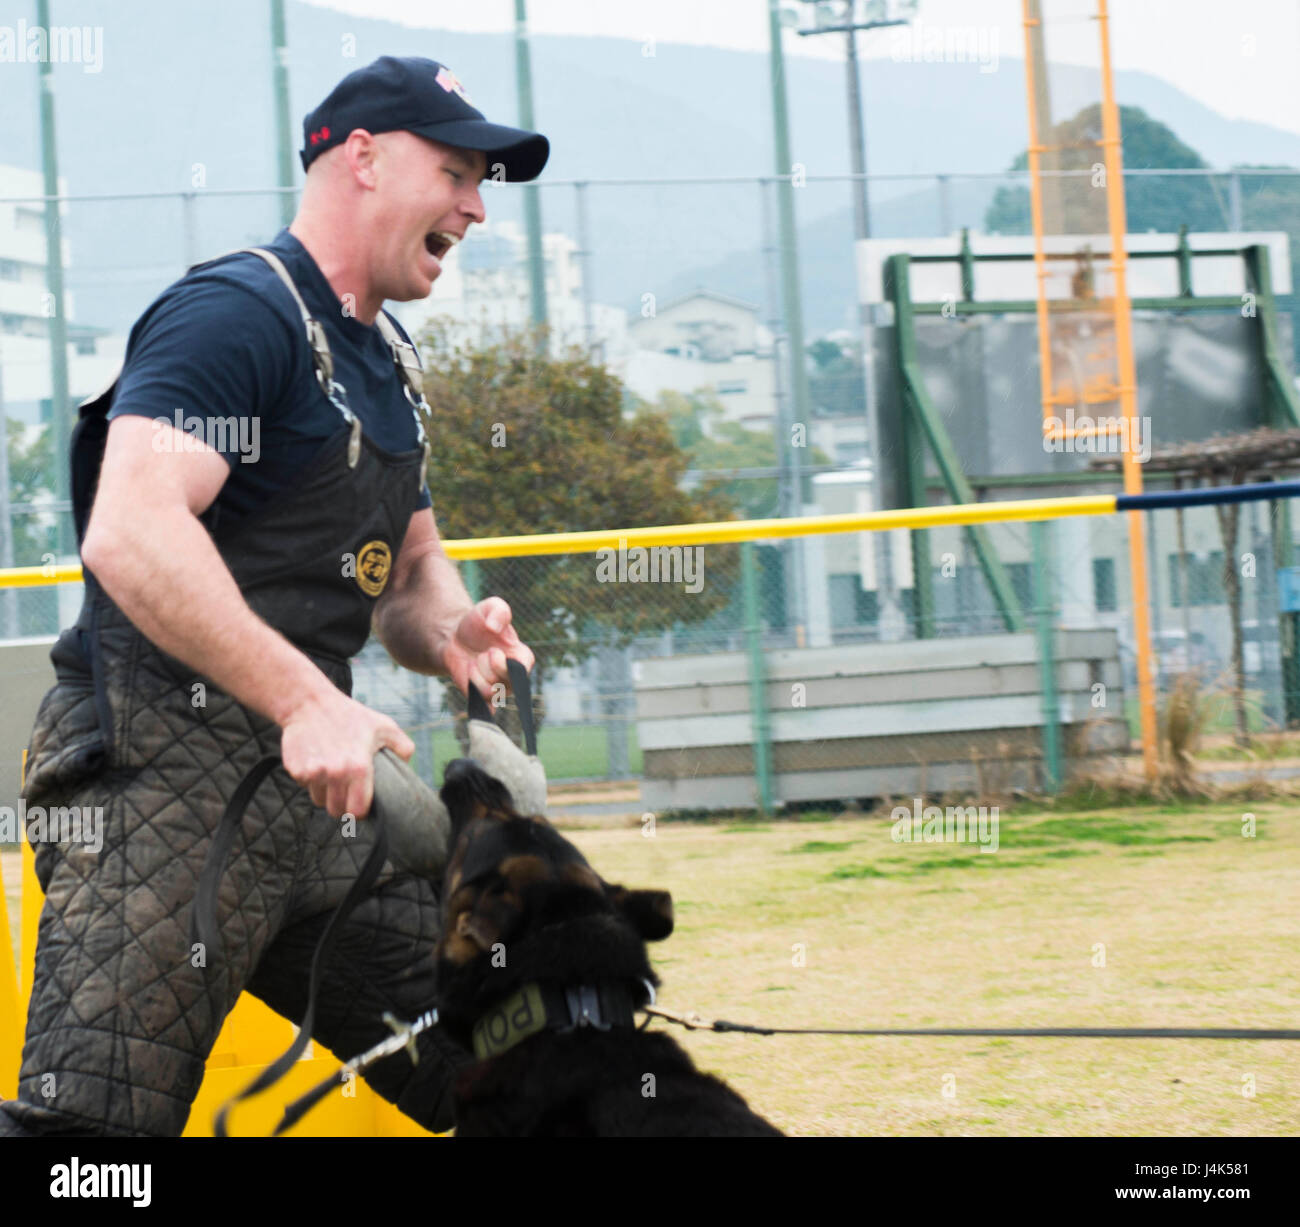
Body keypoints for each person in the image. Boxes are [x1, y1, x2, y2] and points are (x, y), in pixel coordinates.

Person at [0, 55, 549, 1138]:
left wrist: (455, 630)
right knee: (88, 1151)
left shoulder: (386, 358)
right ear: (363, 158)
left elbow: (410, 571)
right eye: (455, 173)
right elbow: (132, 528)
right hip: (156, 784)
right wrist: (306, 701)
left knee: (519, 1064)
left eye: (482, 184)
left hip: (318, 794)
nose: (477, 209)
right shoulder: (235, 315)